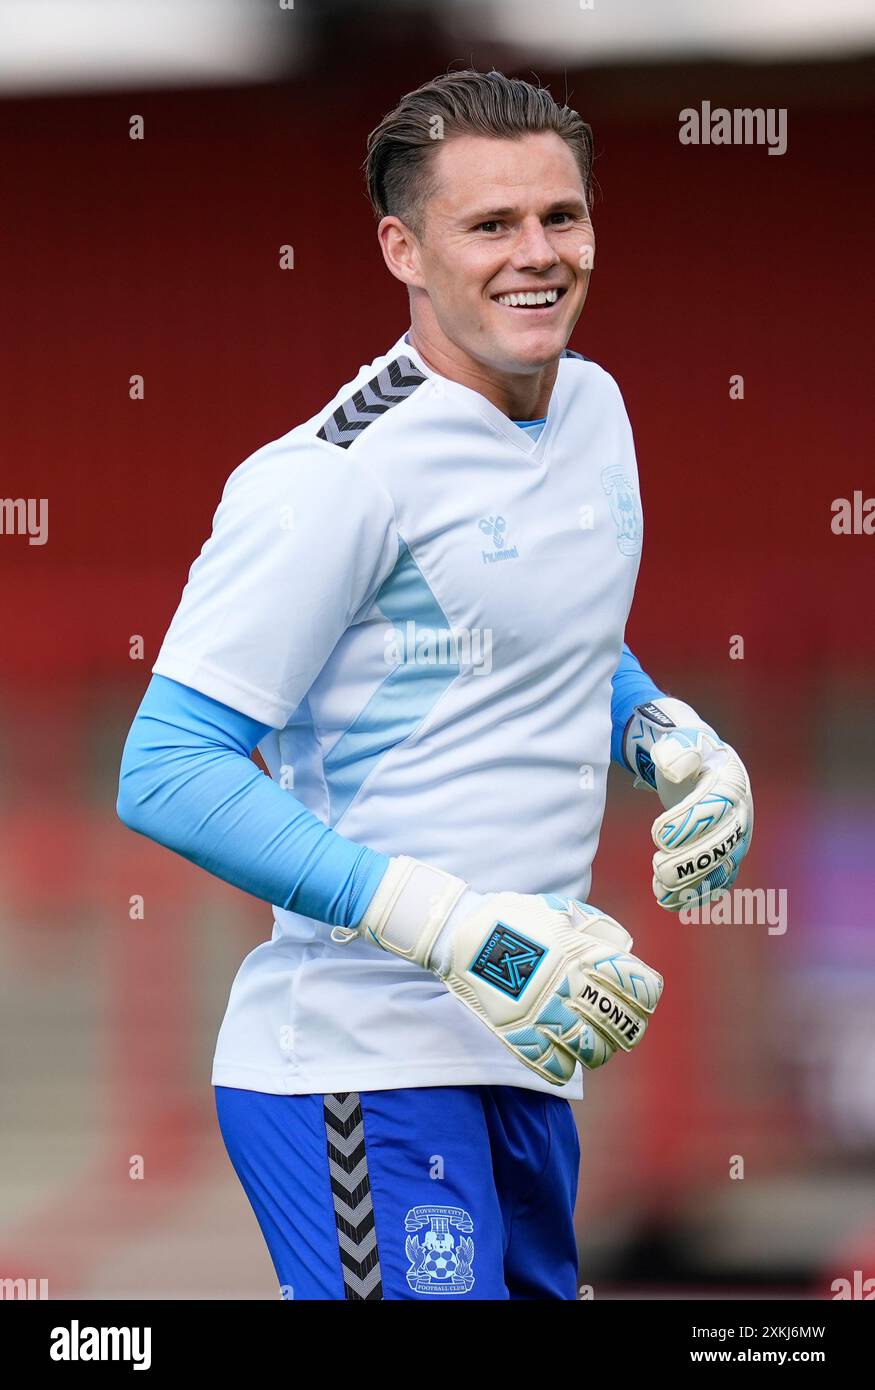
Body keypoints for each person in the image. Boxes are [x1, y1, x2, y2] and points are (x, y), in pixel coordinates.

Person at [117, 68, 753, 1301]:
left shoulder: (596, 407)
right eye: (490, 225)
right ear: (401, 248)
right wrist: (455, 929)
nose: (537, 254)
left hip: (528, 1060)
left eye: (558, 216)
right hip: (356, 1064)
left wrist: (666, 735)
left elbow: (533, 638)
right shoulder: (331, 478)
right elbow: (167, 769)